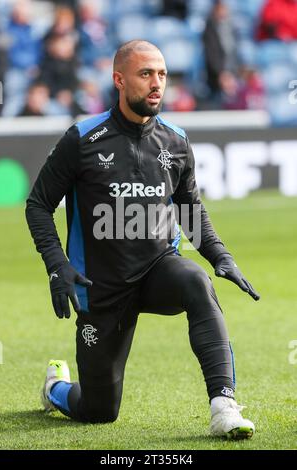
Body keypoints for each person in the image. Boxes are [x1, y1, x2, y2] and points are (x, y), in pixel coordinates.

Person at [25, 40, 260, 439]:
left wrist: (219, 254)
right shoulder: (81, 139)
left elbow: (190, 207)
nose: (157, 83)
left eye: (163, 74)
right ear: (119, 79)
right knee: (99, 411)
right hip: (100, 286)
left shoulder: (176, 140)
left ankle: (224, 406)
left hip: (157, 270)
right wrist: (56, 265)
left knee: (195, 282)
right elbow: (38, 205)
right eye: (145, 73)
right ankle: (56, 388)